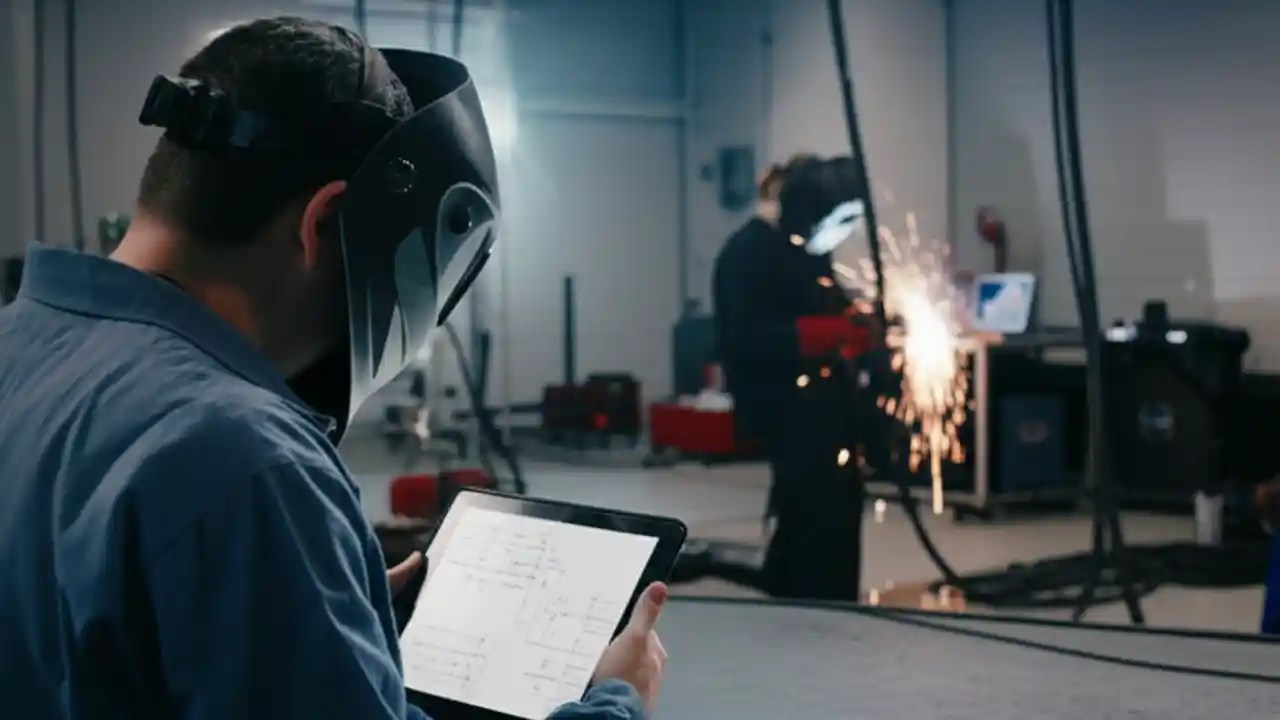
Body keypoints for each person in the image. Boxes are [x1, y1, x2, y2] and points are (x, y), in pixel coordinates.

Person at [0, 17, 667, 719]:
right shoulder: (244, 459)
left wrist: (309, 602)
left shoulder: (20, 349)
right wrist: (616, 701)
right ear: (325, 223)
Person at [712, 155, 874, 601]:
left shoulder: (806, 249)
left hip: (827, 404)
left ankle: (823, 592)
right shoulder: (747, 252)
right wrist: (821, 336)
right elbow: (742, 337)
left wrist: (857, 319)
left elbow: (827, 300)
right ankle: (808, 596)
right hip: (781, 404)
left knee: (837, 498)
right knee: (811, 501)